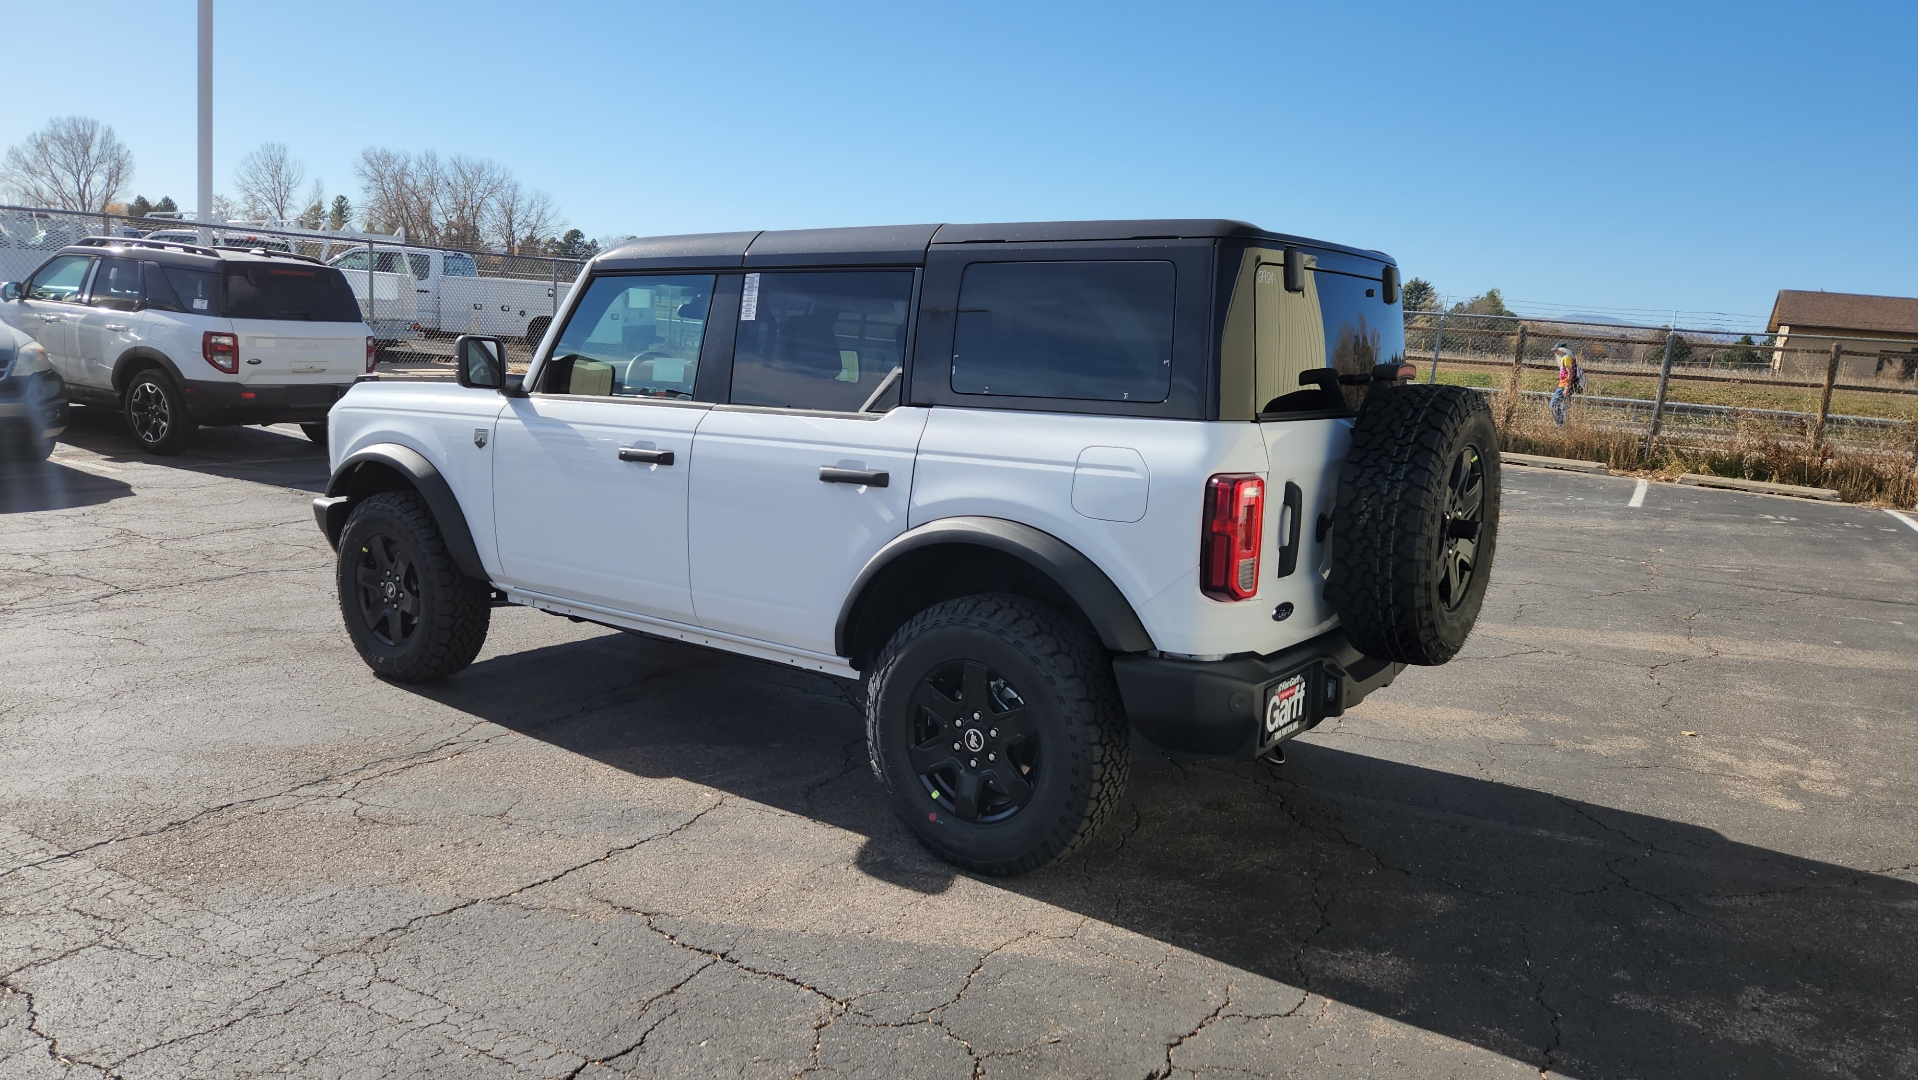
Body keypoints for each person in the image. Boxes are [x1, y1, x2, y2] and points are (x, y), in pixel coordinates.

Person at [1550, 342, 1581, 425]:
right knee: (1564, 406)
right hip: (1565, 385)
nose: (1555, 352)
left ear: (1562, 350)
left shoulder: (1566, 358)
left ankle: (1560, 424)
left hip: (1564, 386)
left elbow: (1570, 372)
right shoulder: (1568, 357)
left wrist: (1567, 387)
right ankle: (1564, 425)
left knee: (1553, 404)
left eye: (1556, 350)